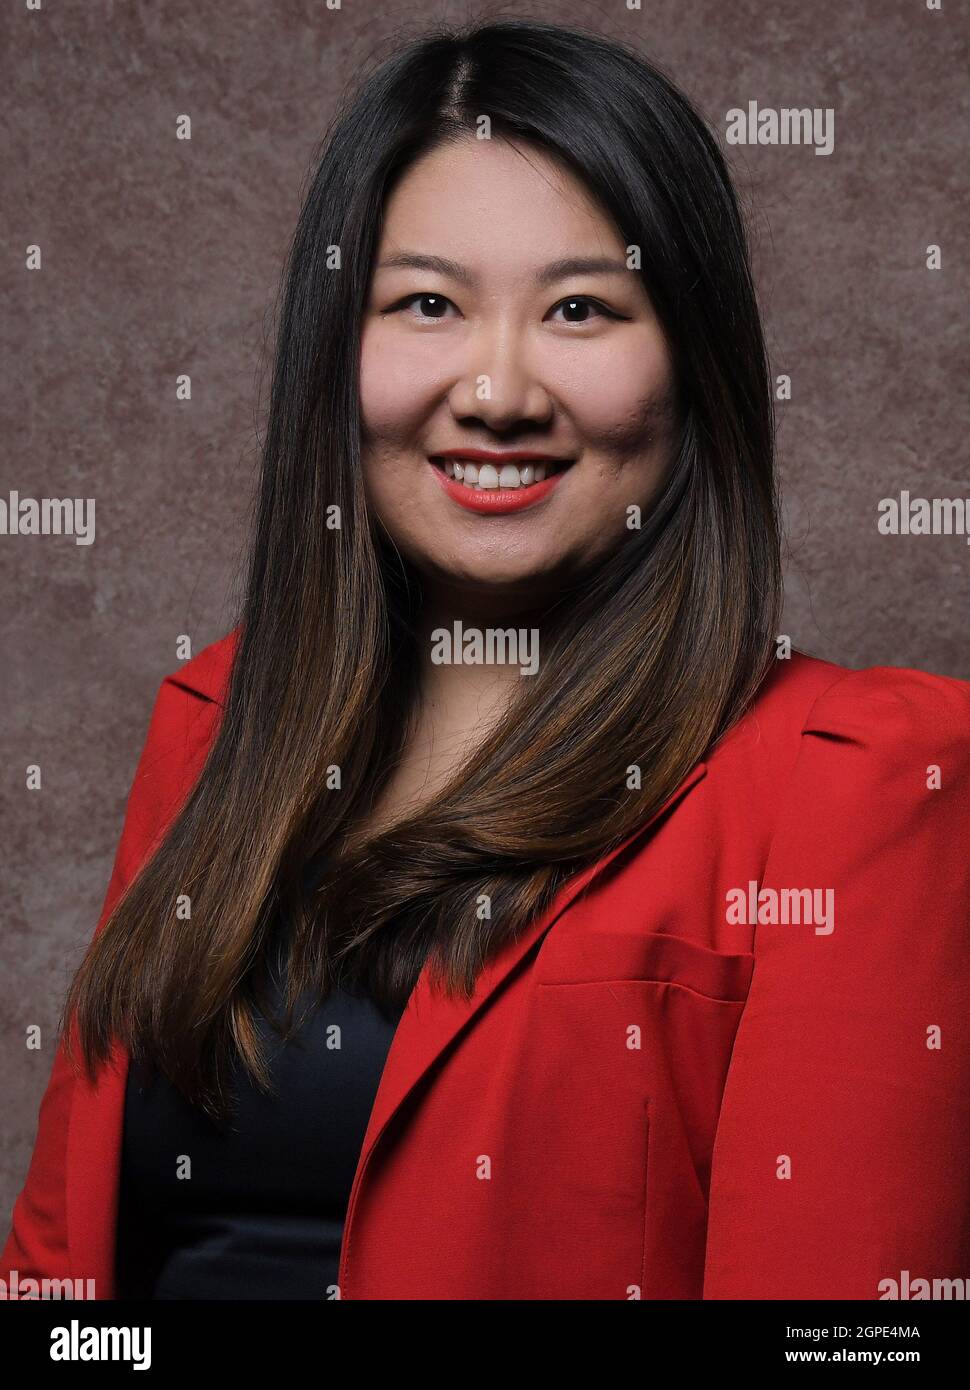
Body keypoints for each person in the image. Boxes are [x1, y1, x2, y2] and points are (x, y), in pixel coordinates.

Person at [3, 18, 969, 1302]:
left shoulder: (854, 785)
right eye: (426, 304)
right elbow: (62, 1283)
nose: (498, 388)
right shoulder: (217, 721)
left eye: (579, 307)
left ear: (693, 363)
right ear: (334, 356)